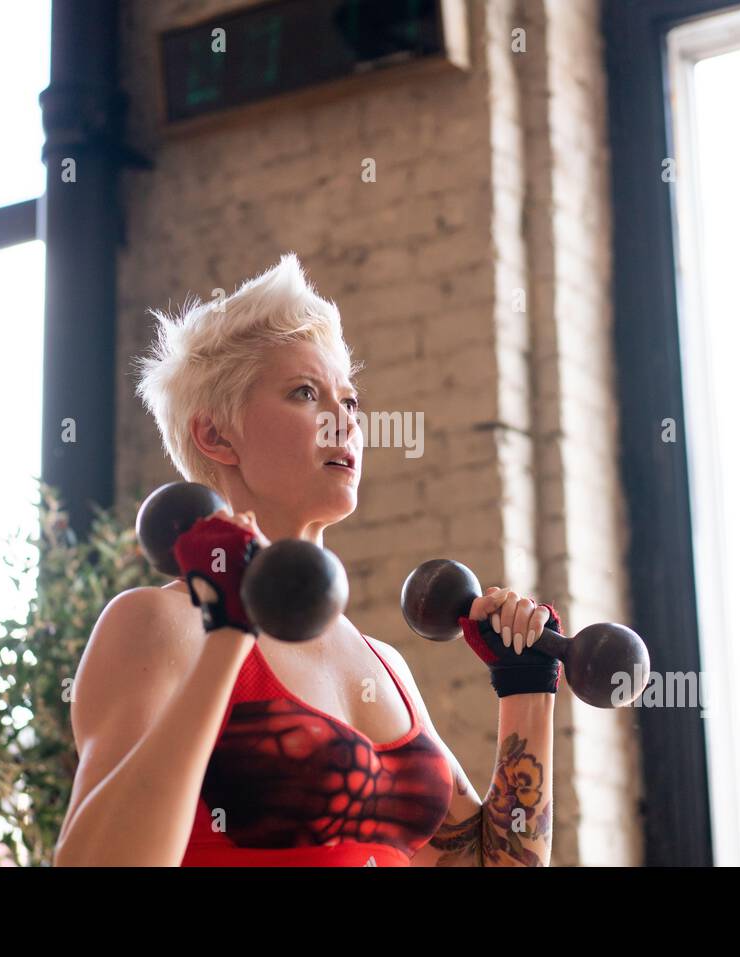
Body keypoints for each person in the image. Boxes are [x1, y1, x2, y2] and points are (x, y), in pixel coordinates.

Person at [53, 253, 561, 867]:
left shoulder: (385, 666)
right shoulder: (157, 625)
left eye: (349, 401)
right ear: (216, 435)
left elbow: (485, 864)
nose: (343, 422)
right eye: (304, 393)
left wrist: (525, 686)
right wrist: (229, 634)